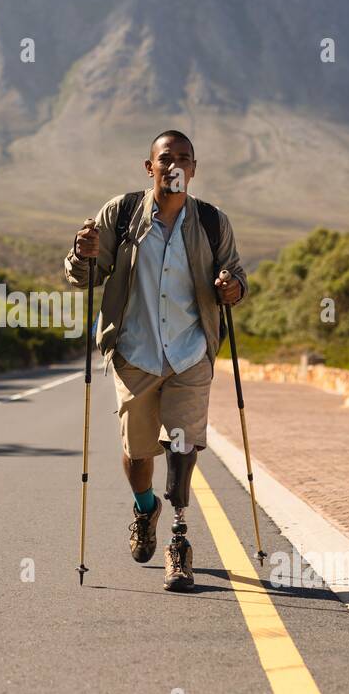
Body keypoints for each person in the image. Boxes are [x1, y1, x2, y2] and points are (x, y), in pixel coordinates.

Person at [64, 130, 247, 592]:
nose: (175, 166)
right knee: (138, 451)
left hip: (190, 353)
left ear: (194, 168)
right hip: (135, 353)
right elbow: (86, 275)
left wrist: (232, 288)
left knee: (183, 446)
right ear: (150, 168)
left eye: (184, 159)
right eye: (166, 159)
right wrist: (81, 255)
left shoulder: (210, 221)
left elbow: (236, 275)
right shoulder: (122, 213)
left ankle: (179, 544)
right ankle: (146, 508)